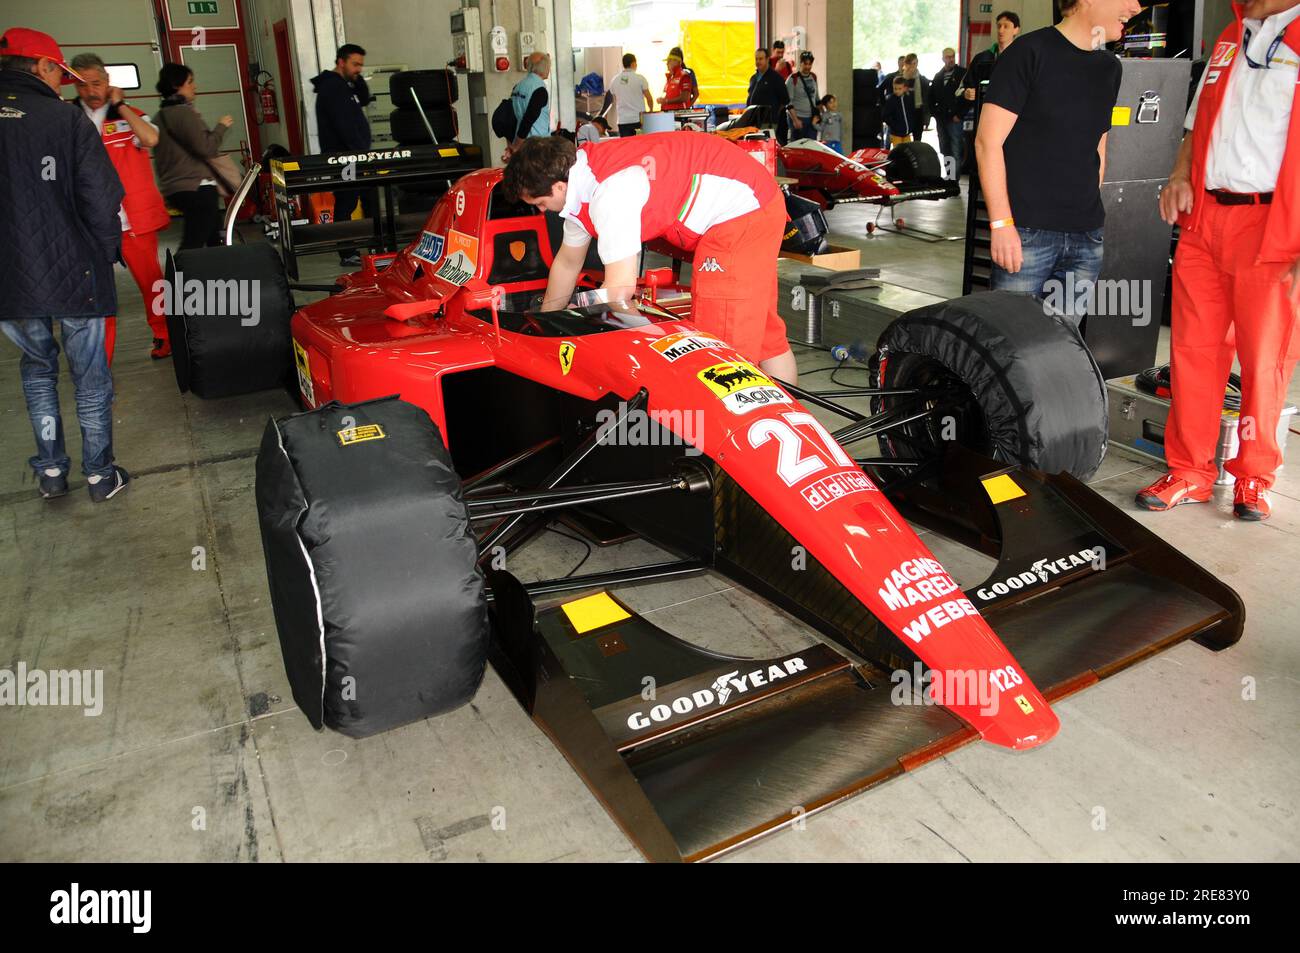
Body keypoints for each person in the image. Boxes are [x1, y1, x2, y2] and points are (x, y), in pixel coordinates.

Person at [1135, 0, 1300, 522]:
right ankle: (1189, 472)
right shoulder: (1230, 35)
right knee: (1193, 352)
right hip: (1205, 220)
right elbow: (1195, 123)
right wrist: (1180, 174)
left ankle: (1253, 477)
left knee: (1263, 360)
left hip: (1272, 227)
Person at [502, 134, 797, 384]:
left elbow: (619, 292)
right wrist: (544, 326)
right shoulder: (582, 178)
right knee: (764, 333)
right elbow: (567, 262)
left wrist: (579, 327)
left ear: (558, 186)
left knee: (718, 355)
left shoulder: (609, 191)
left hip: (741, 214)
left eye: (540, 203)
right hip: (757, 199)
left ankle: (734, 446)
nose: (543, 212)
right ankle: (794, 421)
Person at [0, 28, 130, 502]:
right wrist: (107, 254)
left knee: (37, 371)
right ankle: (99, 475)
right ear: (42, 66)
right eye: (60, 73)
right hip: (75, 273)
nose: (63, 84)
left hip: (9, 281)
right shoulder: (65, 120)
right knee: (89, 376)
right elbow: (101, 199)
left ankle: (52, 474)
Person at [974, 0, 1132, 312]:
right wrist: (1001, 224)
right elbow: (987, 142)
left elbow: (1098, 144)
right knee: (1012, 348)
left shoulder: (1110, 68)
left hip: (1086, 237)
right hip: (1026, 235)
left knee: (1059, 348)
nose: (1136, 7)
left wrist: (1087, 210)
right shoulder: (1028, 53)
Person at [71, 52, 172, 361]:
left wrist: (121, 105)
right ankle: (102, 356)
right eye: (83, 84)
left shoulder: (129, 115)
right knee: (97, 293)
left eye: (97, 83)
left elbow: (151, 138)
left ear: (108, 83)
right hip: (90, 224)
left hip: (133, 220)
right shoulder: (68, 118)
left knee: (152, 284)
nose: (91, 91)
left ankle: (164, 336)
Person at [154, 63, 235, 251]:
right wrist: (221, 127)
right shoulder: (184, 113)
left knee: (214, 238)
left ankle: (218, 278)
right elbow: (206, 147)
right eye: (190, 82)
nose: (194, 86)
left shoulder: (160, 116)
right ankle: (179, 280)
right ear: (177, 86)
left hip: (175, 188)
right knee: (193, 243)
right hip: (197, 187)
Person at [312, 43, 374, 263]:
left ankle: (374, 245)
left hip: (356, 155)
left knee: (367, 198)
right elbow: (344, 125)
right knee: (346, 201)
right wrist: (358, 153)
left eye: (361, 65)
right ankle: (347, 252)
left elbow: (364, 99)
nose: (358, 69)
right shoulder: (332, 88)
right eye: (355, 64)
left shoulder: (346, 86)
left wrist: (357, 79)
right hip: (345, 157)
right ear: (341, 62)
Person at [505, 52, 551, 160]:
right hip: (537, 145)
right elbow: (529, 118)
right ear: (544, 68)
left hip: (521, 141)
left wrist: (513, 145)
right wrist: (516, 145)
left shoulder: (518, 86)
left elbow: (511, 117)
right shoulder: (539, 90)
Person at [930, 47, 968, 179]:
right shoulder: (938, 76)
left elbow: (968, 98)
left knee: (955, 149)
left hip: (955, 119)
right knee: (945, 149)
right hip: (941, 119)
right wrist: (935, 114)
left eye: (952, 56)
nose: (950, 59)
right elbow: (931, 98)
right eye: (947, 57)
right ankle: (949, 176)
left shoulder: (963, 74)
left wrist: (960, 114)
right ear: (942, 59)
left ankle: (954, 179)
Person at [610, 53, 652, 139]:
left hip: (623, 120)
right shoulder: (640, 79)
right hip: (638, 120)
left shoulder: (615, 80)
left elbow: (614, 99)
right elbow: (649, 98)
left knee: (627, 147)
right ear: (633, 64)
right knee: (640, 145)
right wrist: (650, 111)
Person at [747, 47, 789, 129]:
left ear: (767, 59)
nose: (758, 61)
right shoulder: (753, 78)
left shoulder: (776, 78)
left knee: (767, 142)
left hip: (768, 123)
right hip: (753, 121)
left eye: (761, 59)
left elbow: (785, 100)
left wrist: (773, 114)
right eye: (756, 59)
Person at [786, 51, 820, 140]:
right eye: (805, 64)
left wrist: (821, 115)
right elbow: (788, 102)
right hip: (798, 118)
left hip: (812, 119)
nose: (808, 67)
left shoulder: (813, 77)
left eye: (810, 64)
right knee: (798, 148)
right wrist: (795, 120)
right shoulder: (793, 79)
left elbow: (816, 98)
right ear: (800, 63)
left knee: (812, 147)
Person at [882, 75, 920, 144]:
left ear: (905, 88)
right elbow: (885, 116)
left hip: (907, 133)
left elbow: (912, 112)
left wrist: (911, 125)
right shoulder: (891, 100)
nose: (897, 91)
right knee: (898, 151)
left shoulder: (908, 98)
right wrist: (894, 126)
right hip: (896, 134)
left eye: (899, 88)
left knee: (907, 151)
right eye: (895, 88)